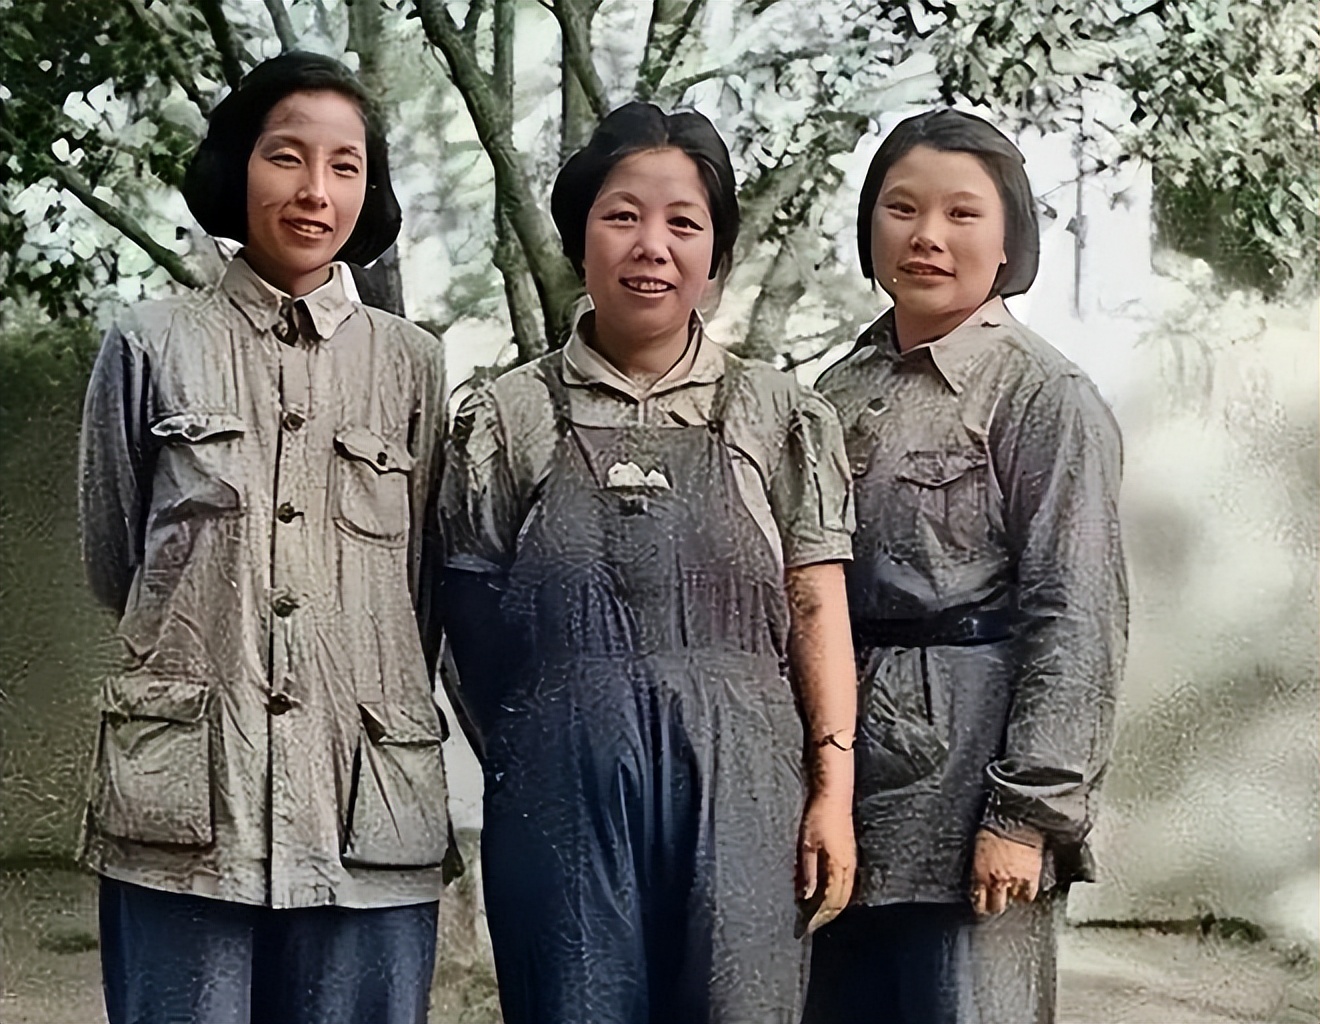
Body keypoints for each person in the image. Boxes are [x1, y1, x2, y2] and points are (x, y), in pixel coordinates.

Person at [440, 101, 857, 1024]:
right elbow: (468, 632)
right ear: (580, 234)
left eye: (683, 222)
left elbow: (818, 607)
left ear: (715, 252)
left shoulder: (779, 417)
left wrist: (832, 790)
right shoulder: (503, 419)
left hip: (750, 794)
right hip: (559, 791)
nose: (651, 246)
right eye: (622, 216)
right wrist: (550, 737)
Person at [79, 52, 454, 1024]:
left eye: (345, 165)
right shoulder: (149, 343)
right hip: (187, 804)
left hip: (367, 809)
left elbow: (416, 590)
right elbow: (119, 559)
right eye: (287, 157)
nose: (314, 189)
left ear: (369, 188)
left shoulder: (412, 366)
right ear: (239, 167)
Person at [802, 108, 1127, 1024]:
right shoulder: (836, 392)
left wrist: (1026, 815)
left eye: (962, 214)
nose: (928, 236)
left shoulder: (1043, 395)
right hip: (842, 794)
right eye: (902, 209)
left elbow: (1079, 613)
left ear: (1010, 236)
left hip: (968, 794)